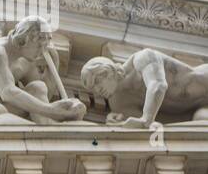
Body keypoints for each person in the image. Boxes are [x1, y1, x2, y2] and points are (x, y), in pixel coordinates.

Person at [0, 17, 86, 123]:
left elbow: (40, 100)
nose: (42, 52)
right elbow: (8, 92)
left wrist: (54, 64)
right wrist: (53, 111)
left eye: (45, 47)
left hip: (3, 107)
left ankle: (50, 133)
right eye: (39, 46)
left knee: (37, 87)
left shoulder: (25, 60)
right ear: (26, 39)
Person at [80, 49, 208, 127]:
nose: (97, 90)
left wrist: (146, 118)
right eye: (93, 89)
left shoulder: (142, 58)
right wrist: (121, 123)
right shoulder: (119, 104)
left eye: (97, 81)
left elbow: (158, 85)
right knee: (201, 121)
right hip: (199, 111)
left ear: (108, 70)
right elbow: (153, 124)